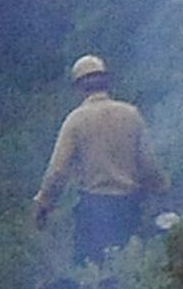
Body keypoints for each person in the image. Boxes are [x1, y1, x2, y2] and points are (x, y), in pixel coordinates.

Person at [31, 54, 168, 266]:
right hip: (130, 206)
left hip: (94, 209)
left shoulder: (76, 120)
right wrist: (163, 193)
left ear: (78, 87)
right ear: (106, 81)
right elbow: (149, 165)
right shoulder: (132, 115)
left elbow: (58, 171)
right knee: (128, 267)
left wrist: (43, 204)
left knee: (92, 272)